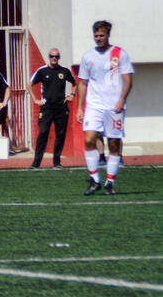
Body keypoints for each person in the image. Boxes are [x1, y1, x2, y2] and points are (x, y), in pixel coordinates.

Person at [77, 20, 133, 196]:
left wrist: (121, 100)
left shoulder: (119, 54)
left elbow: (128, 80)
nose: (98, 38)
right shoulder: (88, 56)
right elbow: (83, 83)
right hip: (94, 105)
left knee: (114, 144)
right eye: (96, 35)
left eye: (101, 35)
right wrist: (80, 107)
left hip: (114, 107)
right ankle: (95, 180)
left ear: (107, 35)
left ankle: (110, 181)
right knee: (89, 139)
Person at [29, 49, 76, 169]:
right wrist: (35, 100)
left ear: (59, 57)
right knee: (43, 132)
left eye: (56, 56)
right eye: (52, 56)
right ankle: (36, 163)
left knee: (60, 134)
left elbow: (74, 83)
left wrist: (72, 95)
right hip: (47, 108)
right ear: (48, 57)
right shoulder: (42, 70)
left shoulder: (64, 71)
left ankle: (57, 162)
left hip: (61, 107)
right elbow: (29, 84)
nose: (54, 58)